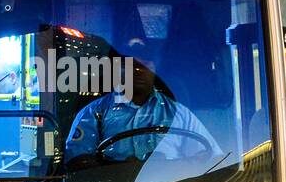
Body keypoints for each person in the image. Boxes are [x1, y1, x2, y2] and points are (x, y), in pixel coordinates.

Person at [66, 40, 221, 164]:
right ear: (118, 70)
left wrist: (171, 166)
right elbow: (76, 161)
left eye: (144, 66)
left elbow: (212, 157)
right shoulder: (94, 113)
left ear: (154, 70)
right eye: (132, 66)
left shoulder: (178, 113)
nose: (138, 72)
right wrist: (115, 167)